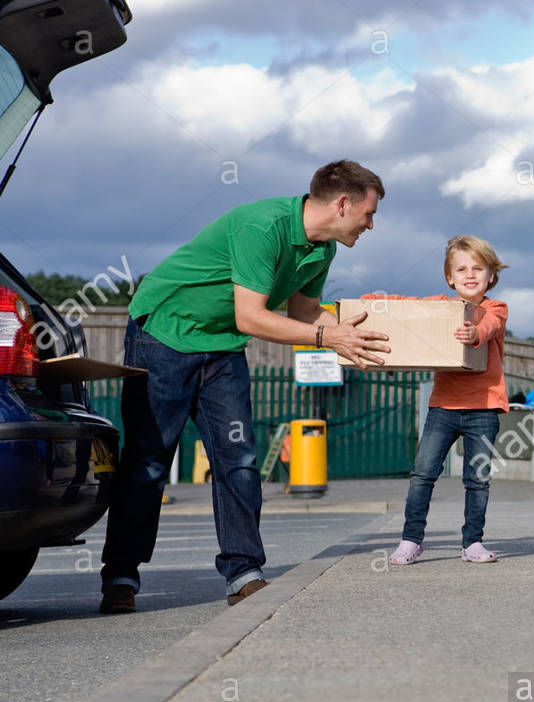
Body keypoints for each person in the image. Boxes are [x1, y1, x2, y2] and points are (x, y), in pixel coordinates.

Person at [99, 161, 391, 613]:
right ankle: (121, 574)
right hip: (164, 332)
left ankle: (243, 572)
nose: (371, 224)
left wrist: (361, 338)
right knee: (149, 460)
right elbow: (251, 317)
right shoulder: (263, 226)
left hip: (221, 346)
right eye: (369, 214)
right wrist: (326, 337)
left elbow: (306, 312)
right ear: (342, 203)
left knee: (238, 457)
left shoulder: (322, 249)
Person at [388, 235, 509, 566]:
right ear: (449, 277)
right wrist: (376, 304)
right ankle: (411, 540)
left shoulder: (495, 308)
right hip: (443, 407)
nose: (470, 275)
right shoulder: (441, 308)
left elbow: (488, 326)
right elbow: (408, 310)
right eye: (461, 269)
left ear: (491, 276)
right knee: (423, 474)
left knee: (477, 480)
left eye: (478, 268)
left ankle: (472, 542)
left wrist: (475, 333)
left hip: (484, 409)